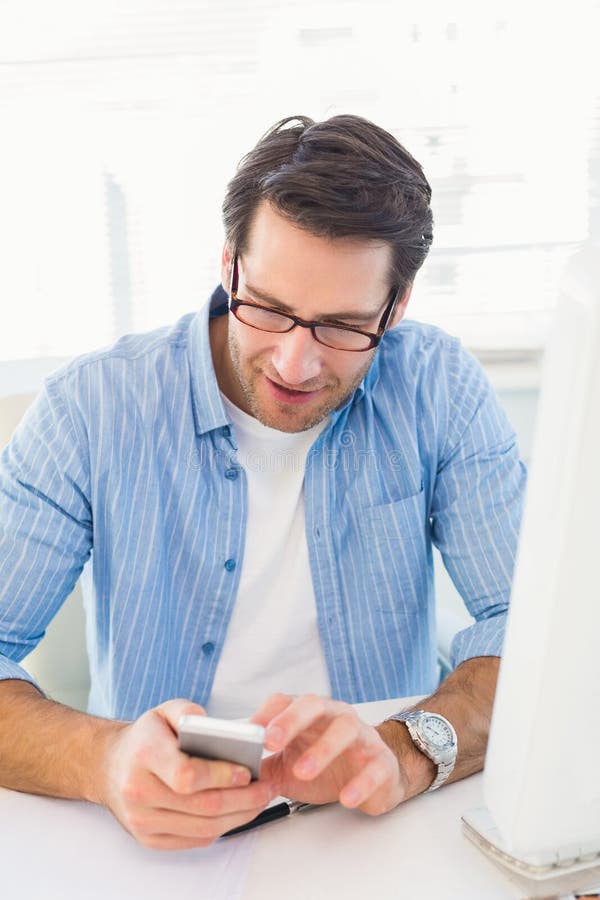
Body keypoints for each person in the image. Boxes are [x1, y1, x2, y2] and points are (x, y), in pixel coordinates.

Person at [0, 114, 525, 850]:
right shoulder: (89, 408)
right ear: (229, 265)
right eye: (269, 310)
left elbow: (533, 627)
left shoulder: (439, 387)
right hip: (153, 836)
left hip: (371, 828)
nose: (295, 365)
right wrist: (102, 760)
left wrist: (407, 751)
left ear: (396, 306)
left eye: (343, 326)